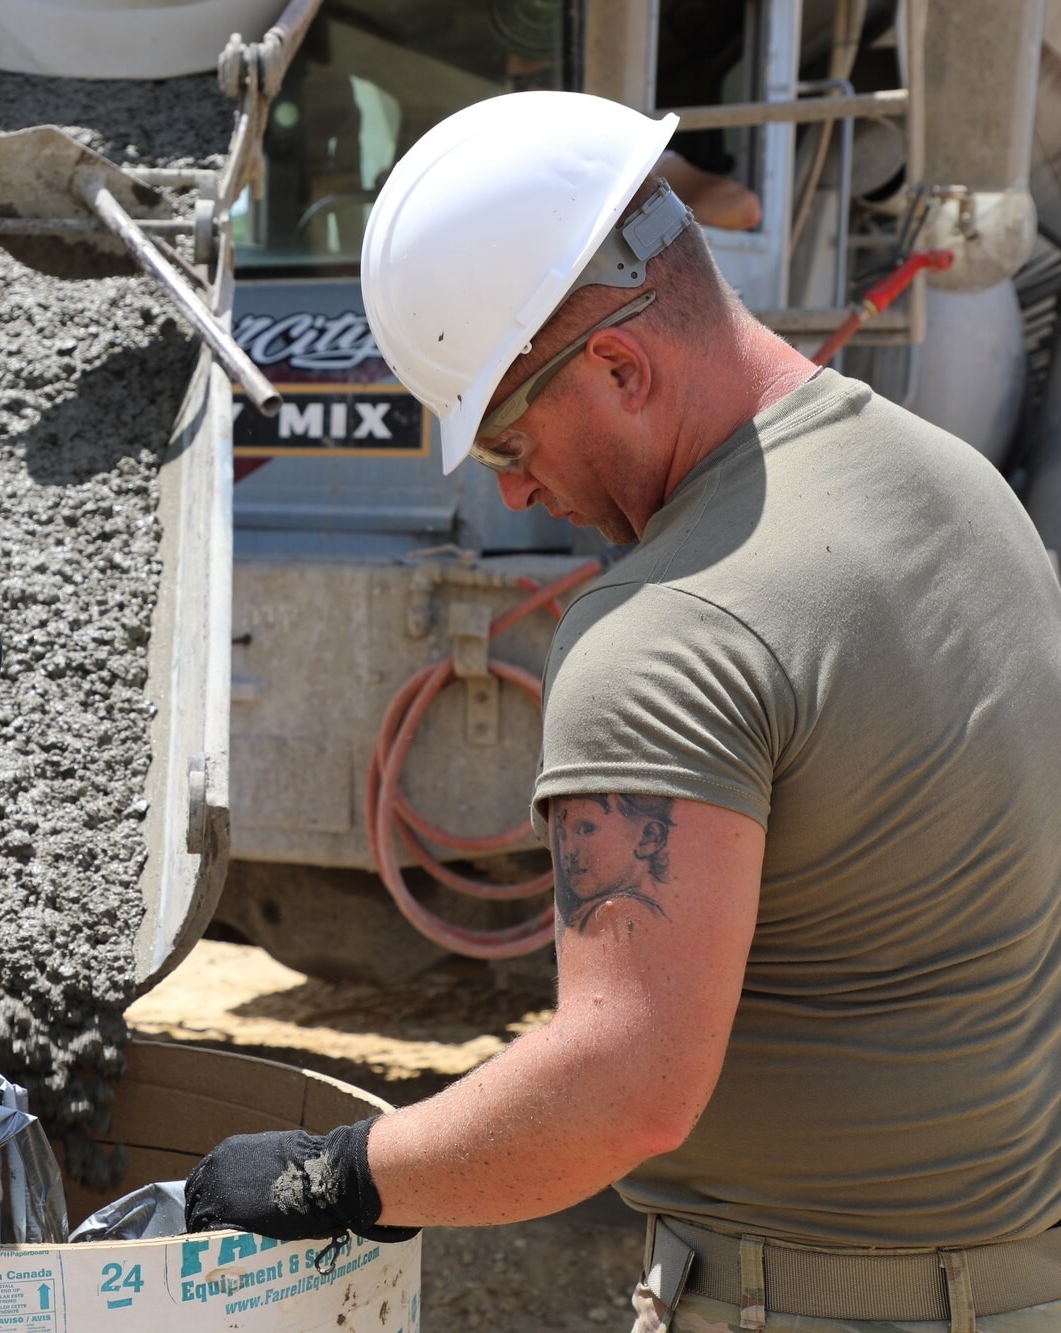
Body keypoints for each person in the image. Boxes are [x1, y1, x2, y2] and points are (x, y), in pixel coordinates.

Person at [185, 89, 1061, 1331]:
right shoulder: (958, 486)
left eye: (501, 437)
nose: (521, 484)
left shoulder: (667, 630)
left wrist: (331, 1173)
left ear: (615, 362)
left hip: (808, 1301)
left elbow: (619, 1086)